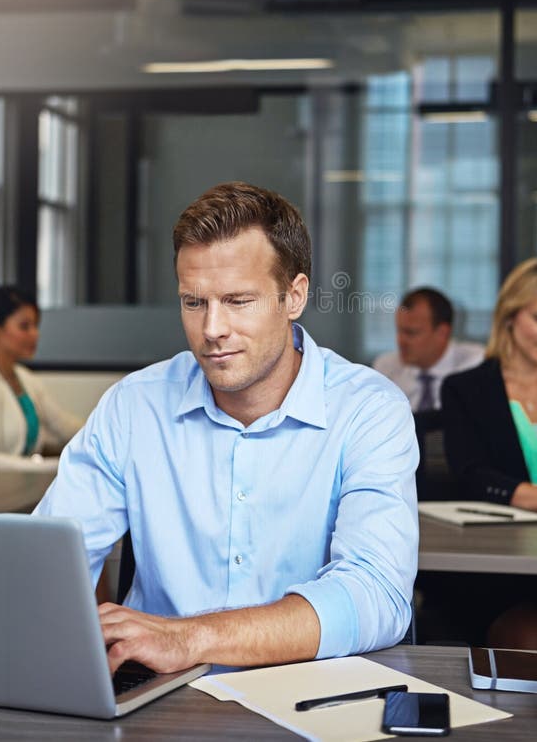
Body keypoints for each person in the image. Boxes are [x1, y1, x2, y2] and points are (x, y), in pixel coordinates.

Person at [35, 181, 418, 674]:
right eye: (194, 302)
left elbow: (377, 594)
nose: (212, 329)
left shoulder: (368, 409)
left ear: (294, 297)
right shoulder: (134, 406)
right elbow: (45, 566)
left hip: (306, 691)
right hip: (157, 696)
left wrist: (191, 638)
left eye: (237, 301)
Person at [442, 258, 537, 646]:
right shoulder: (465, 389)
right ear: (510, 315)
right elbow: (472, 475)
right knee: (527, 641)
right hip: (492, 566)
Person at [0, 285, 83, 471]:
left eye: (36, 326)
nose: (35, 334)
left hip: (22, 484)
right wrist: (43, 468)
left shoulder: (26, 379)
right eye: (24, 326)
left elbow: (63, 426)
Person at [373, 287, 483, 411]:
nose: (400, 341)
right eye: (399, 331)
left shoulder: (476, 365)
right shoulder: (386, 368)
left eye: (411, 333)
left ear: (442, 333)